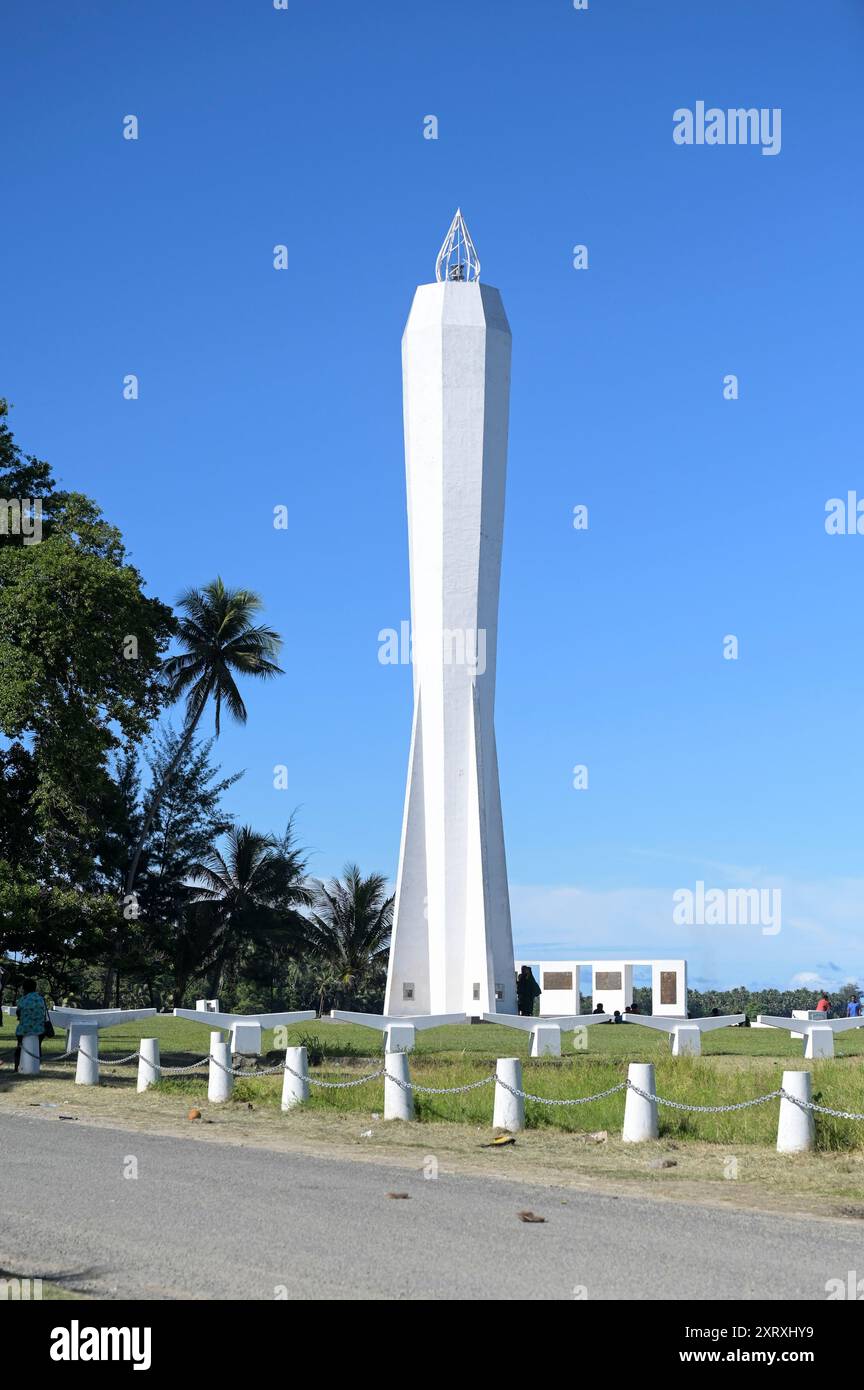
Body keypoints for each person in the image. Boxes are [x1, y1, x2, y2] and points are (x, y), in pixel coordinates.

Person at [14, 979, 47, 1071]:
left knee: (19, 1048)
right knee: (37, 1047)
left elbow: (18, 1013)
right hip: (40, 1029)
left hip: (24, 1029)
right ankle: (36, 1065)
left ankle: (17, 1067)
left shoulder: (23, 999)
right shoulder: (41, 999)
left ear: (24, 989)